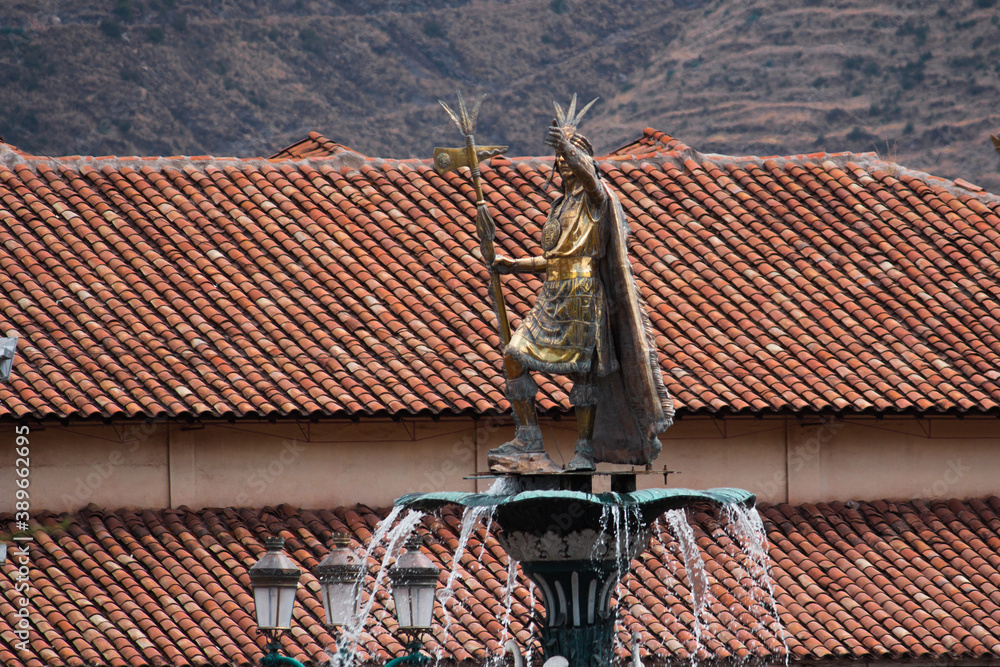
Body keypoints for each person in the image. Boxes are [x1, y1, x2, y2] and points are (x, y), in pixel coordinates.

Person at [489, 96, 674, 473]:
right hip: (553, 294)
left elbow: (592, 180)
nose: (560, 163)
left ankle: (584, 451)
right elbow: (556, 259)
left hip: (584, 295)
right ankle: (528, 439)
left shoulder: (596, 200)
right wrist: (514, 265)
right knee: (513, 355)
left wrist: (570, 149)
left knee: (583, 374)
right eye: (559, 157)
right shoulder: (559, 207)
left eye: (568, 157)